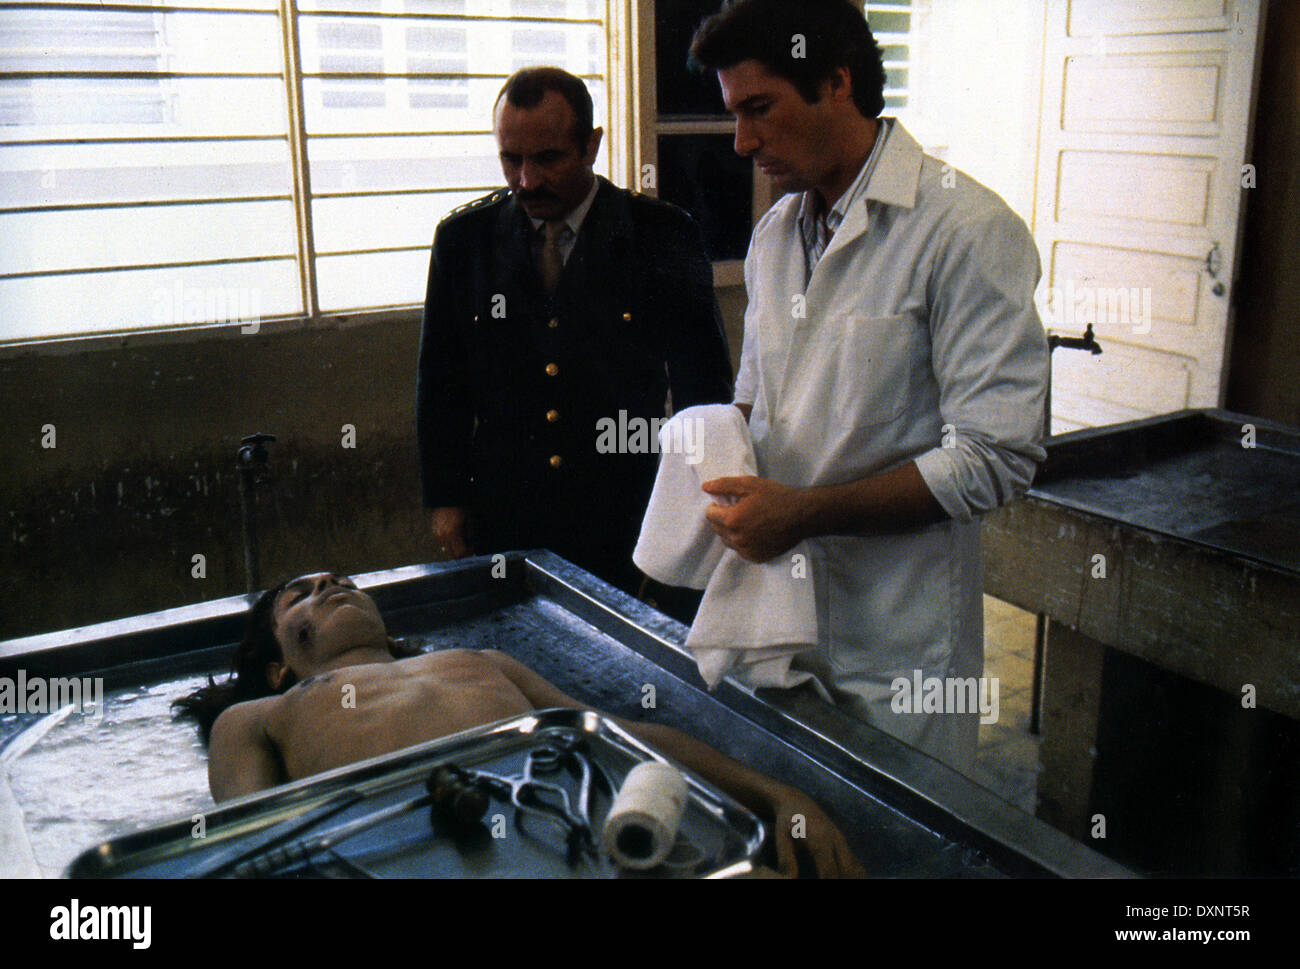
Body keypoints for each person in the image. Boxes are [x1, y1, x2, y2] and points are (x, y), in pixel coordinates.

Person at [686, 0, 1049, 769]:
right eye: (733, 114)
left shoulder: (964, 230)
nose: (743, 141)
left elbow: (993, 456)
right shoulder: (778, 233)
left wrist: (808, 513)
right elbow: (759, 397)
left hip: (898, 642)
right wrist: (710, 447)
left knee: (892, 843)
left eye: (759, 109)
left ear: (836, 82)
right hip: (781, 615)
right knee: (795, 825)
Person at [174, 572, 864, 878]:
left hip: (579, 838)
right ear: (276, 664)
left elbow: (622, 735)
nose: (332, 584)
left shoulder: (478, 658)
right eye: (305, 593)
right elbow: (255, 844)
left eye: (341, 578)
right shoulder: (260, 714)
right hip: (409, 855)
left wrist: (782, 798)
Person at [416, 67, 734, 598]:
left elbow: (704, 390)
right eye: (509, 159)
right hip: (506, 508)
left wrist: (692, 506)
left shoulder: (661, 237)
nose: (525, 180)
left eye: (547, 159)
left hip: (624, 507)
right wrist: (446, 499)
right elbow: (442, 382)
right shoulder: (463, 241)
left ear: (591, 146)